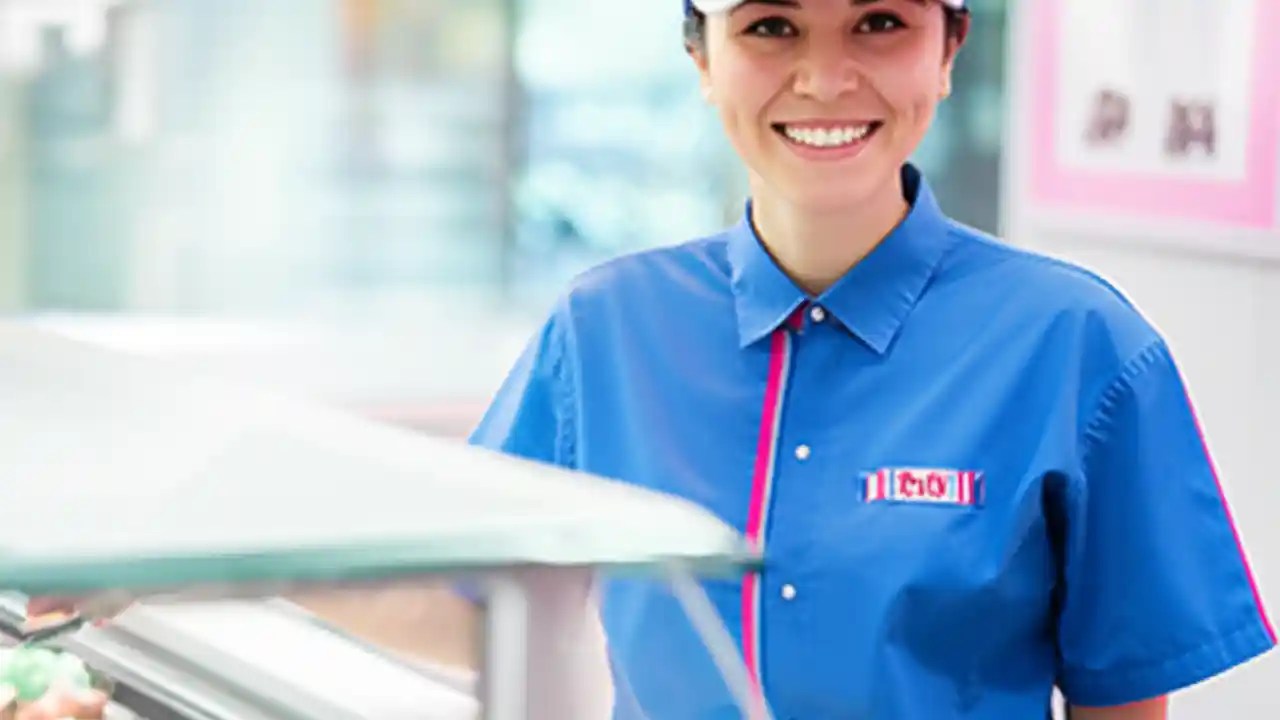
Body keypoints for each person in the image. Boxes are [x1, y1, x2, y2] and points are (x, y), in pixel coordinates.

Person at [470, 0, 1276, 717]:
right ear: (702, 60)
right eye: (771, 27)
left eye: (880, 23)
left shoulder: (1077, 346)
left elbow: (1125, 699)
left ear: (950, 49)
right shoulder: (603, 331)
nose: (824, 79)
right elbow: (467, 598)